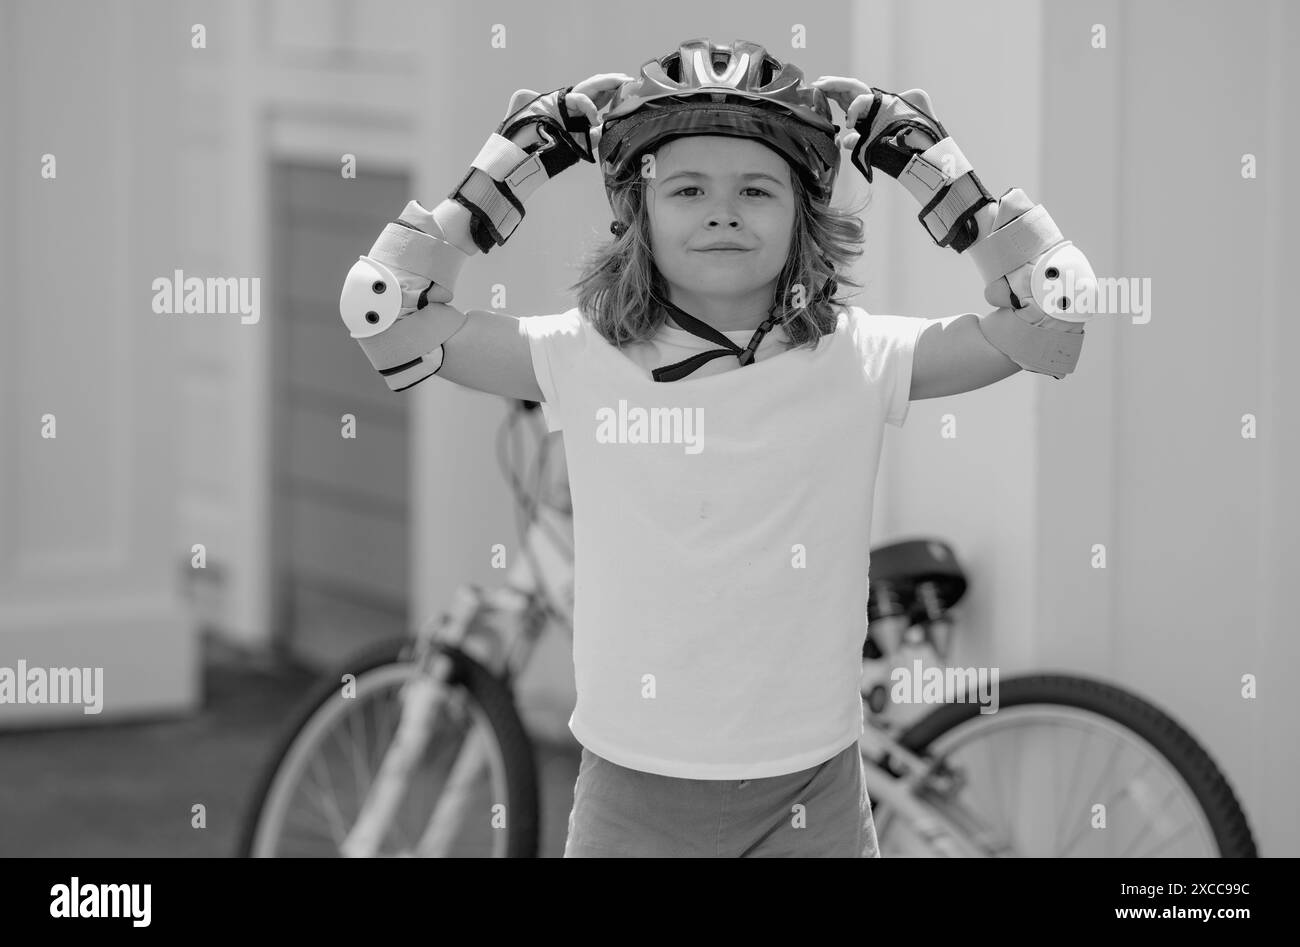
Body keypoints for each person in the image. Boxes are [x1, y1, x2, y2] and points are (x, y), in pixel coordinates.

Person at [339, 37, 1099, 857]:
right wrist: (519, 158)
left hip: (814, 795)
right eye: (688, 187)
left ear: (805, 214)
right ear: (637, 211)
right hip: (632, 798)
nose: (722, 210)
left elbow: (1052, 318)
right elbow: (386, 312)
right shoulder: (582, 353)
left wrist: (926, 163)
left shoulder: (857, 355)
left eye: (758, 188)